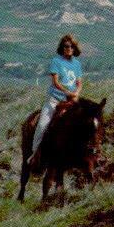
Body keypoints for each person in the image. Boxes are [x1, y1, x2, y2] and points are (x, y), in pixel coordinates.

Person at [29, 33, 83, 168]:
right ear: (62, 48)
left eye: (71, 46)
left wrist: (76, 92)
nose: (69, 49)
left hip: (71, 100)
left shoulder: (77, 64)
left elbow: (79, 82)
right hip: (56, 99)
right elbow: (55, 82)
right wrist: (67, 92)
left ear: (75, 48)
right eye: (66, 46)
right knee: (43, 124)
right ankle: (35, 153)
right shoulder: (56, 61)